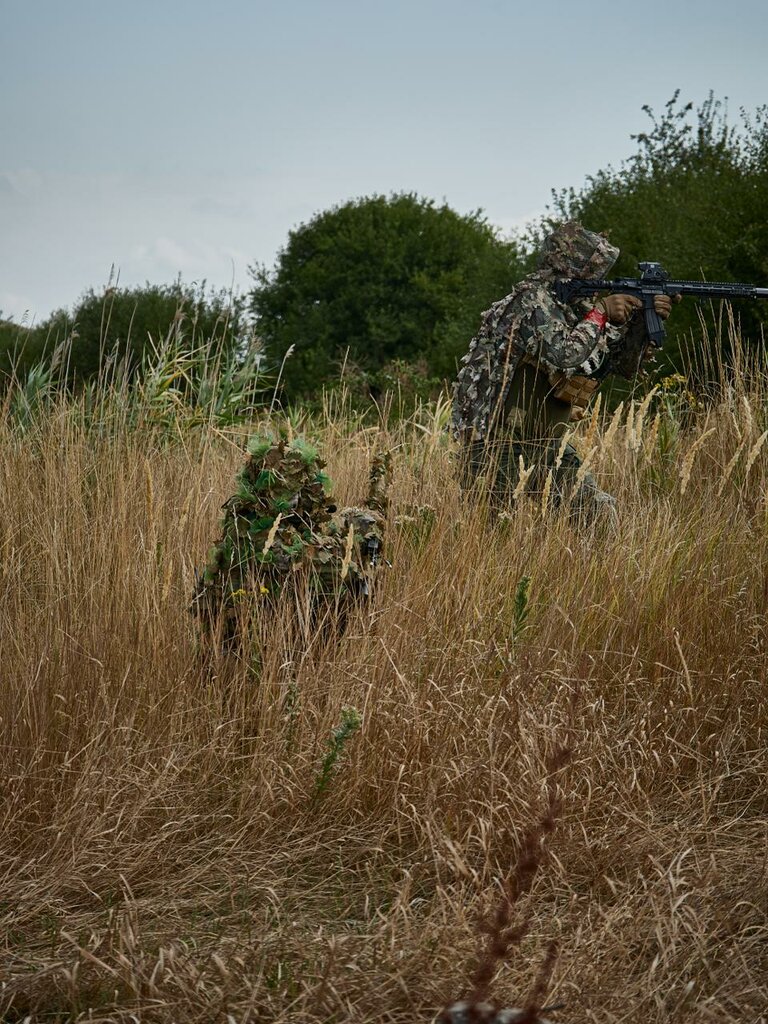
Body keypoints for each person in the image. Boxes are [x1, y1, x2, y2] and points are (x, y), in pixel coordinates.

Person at [451, 221, 678, 524]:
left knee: (597, 513)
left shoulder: (575, 308)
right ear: (571, 267)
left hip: (546, 444)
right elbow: (564, 355)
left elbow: (624, 366)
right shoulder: (531, 301)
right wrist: (601, 313)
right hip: (498, 444)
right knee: (492, 536)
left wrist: (641, 323)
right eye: (591, 273)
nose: (598, 280)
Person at [191, 434, 388, 656]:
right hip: (263, 658)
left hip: (235, 649)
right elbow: (342, 568)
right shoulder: (271, 542)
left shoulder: (241, 524)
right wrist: (363, 528)